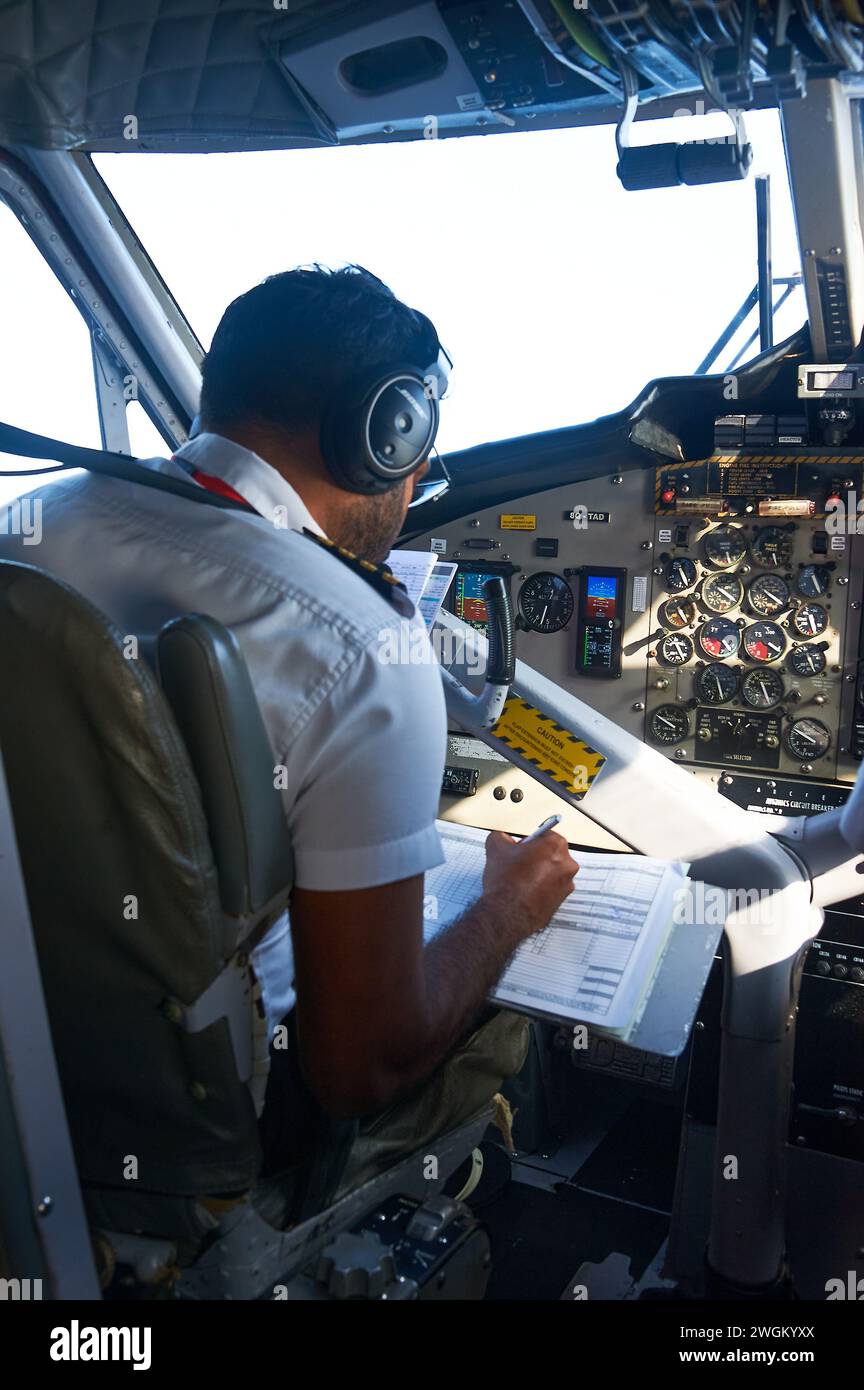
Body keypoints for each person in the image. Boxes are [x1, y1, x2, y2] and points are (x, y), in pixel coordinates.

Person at [0, 264, 578, 1204]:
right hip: (214, 1121)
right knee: (504, 1005)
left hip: (31, 1061)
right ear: (388, 432)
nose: (419, 479)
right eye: (419, 447)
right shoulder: (360, 643)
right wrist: (510, 907)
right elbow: (363, 1065)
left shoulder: (29, 525)